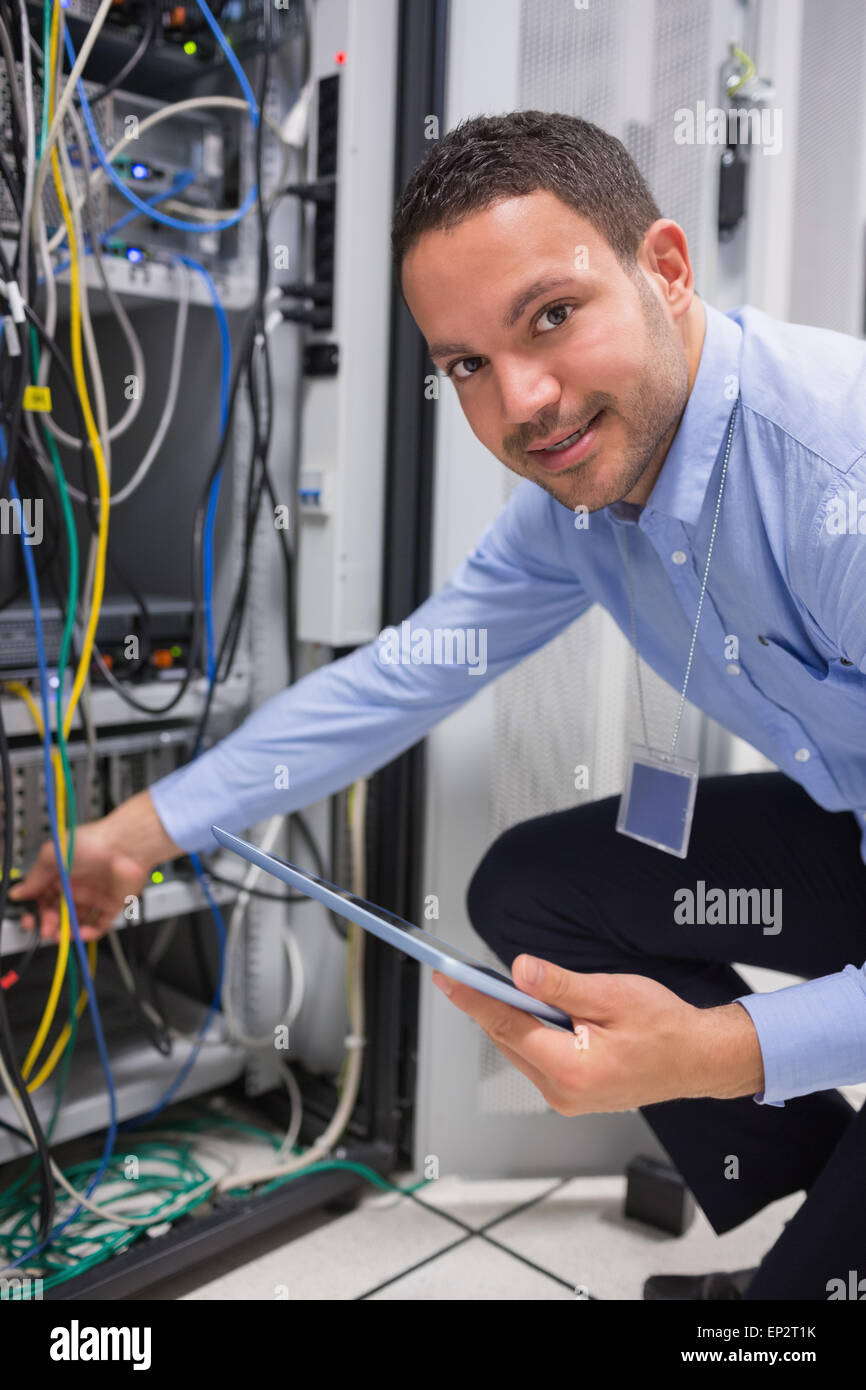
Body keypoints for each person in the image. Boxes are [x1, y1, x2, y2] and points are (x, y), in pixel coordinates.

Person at [11, 111, 866, 1301]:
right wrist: (137, 833)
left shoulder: (838, 481)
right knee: (533, 891)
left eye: (551, 316)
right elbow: (398, 677)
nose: (521, 400)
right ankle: (832, 1220)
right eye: (465, 363)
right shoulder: (574, 510)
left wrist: (730, 1051)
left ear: (664, 269)